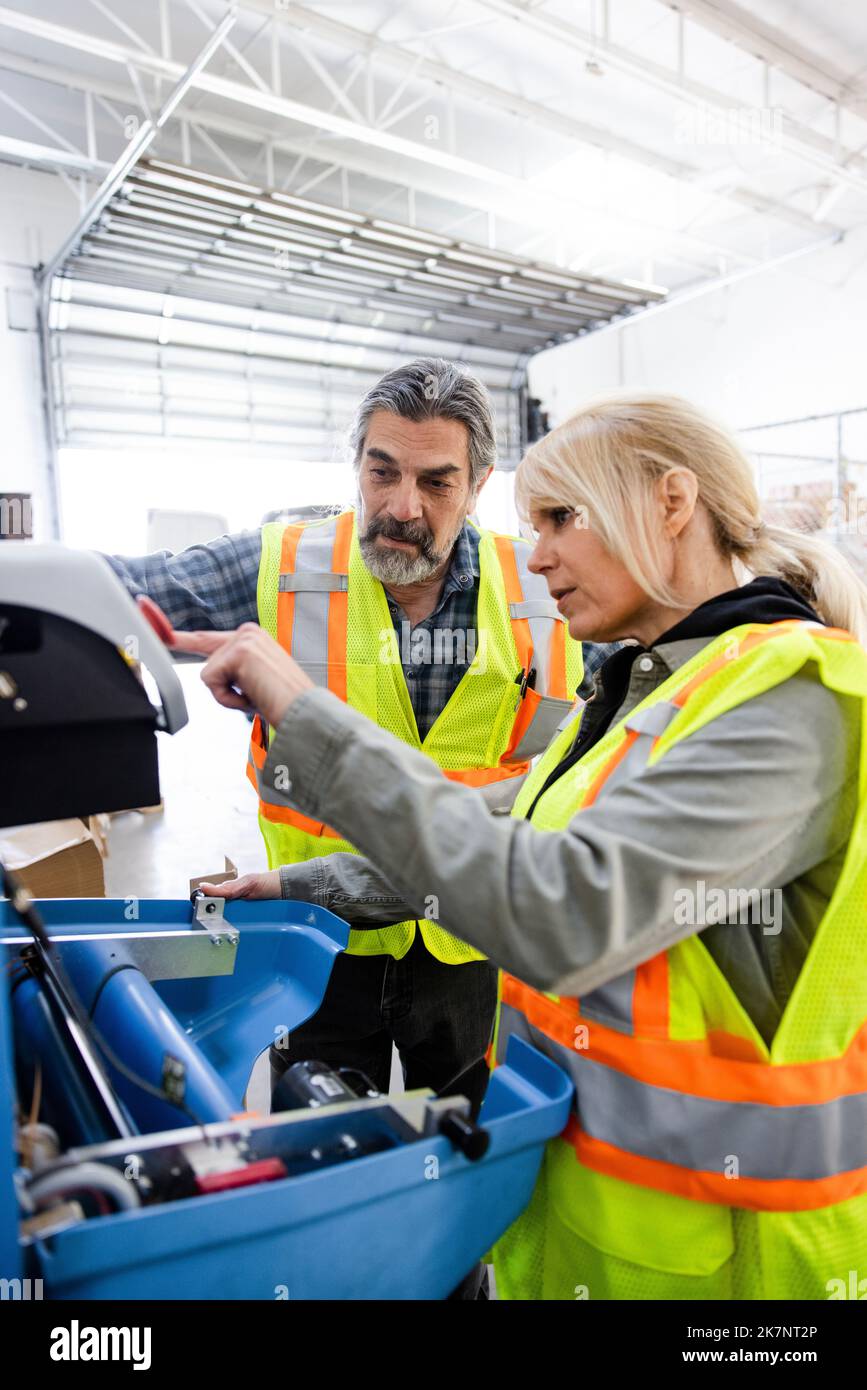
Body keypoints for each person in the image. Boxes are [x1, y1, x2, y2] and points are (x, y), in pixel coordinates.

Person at [184, 392, 867, 1300]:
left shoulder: (792, 702)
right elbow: (510, 820)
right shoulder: (643, 687)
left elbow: (562, 908)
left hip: (724, 1268)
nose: (535, 556)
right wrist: (300, 883)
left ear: (670, 503)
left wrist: (302, 713)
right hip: (593, 1229)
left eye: (559, 519)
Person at [106, 358, 601, 1116]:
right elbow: (119, 594)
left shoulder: (546, 587)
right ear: (356, 466)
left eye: (436, 482)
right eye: (382, 472)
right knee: (319, 1137)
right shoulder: (281, 566)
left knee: (467, 1134)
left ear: (478, 483)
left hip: (467, 947)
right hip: (314, 938)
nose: (401, 507)